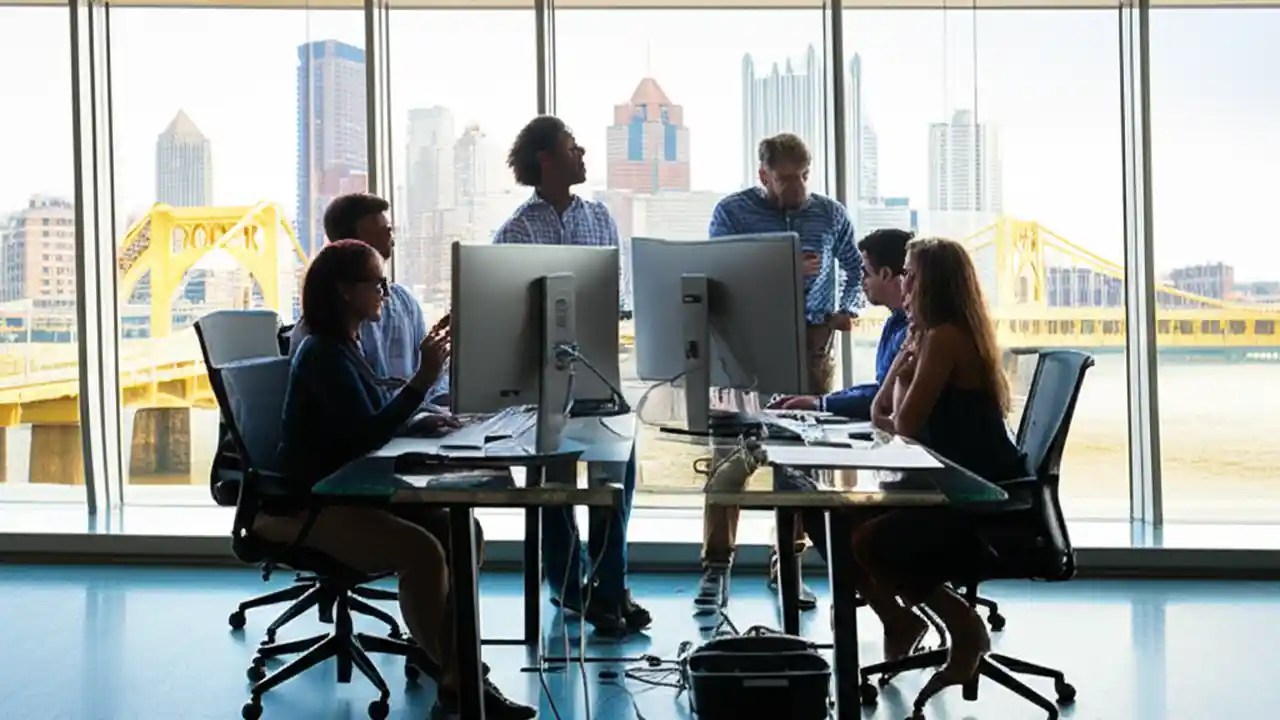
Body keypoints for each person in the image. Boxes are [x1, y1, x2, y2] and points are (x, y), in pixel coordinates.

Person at [252, 240, 535, 720]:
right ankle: (461, 677)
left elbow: (367, 421)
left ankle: (454, 668)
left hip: (355, 491)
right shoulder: (322, 353)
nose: (386, 291)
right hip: (316, 503)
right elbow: (362, 437)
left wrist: (419, 418)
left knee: (462, 531)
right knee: (422, 552)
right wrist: (422, 382)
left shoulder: (348, 345)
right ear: (345, 291)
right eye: (376, 283)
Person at [849, 236, 1030, 701]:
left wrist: (903, 376)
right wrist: (899, 372)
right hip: (947, 481)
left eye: (909, 273)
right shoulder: (928, 334)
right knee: (841, 520)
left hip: (978, 492)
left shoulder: (946, 337)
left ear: (929, 282)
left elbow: (903, 425)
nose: (903, 281)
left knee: (871, 537)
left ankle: (964, 626)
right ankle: (907, 619)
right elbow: (879, 416)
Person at [492, 115, 648, 636]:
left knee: (615, 476)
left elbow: (616, 298)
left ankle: (610, 587)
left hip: (598, 369)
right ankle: (568, 587)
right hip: (543, 381)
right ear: (546, 159)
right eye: (572, 147)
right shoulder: (517, 229)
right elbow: (511, 312)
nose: (583, 154)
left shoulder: (600, 218)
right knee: (555, 488)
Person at [697, 133, 865, 611]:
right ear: (763, 175)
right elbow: (718, 273)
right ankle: (716, 567)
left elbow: (854, 270)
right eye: (786, 178)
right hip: (742, 354)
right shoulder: (732, 212)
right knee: (728, 463)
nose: (797, 188)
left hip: (811, 352)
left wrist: (843, 309)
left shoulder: (830, 214)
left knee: (798, 468)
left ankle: (787, 566)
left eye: (804, 176)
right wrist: (783, 262)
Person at [289, 192, 450, 405]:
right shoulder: (322, 345)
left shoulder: (403, 302)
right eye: (385, 231)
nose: (384, 295)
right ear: (351, 243)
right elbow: (366, 427)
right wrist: (420, 391)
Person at [772, 228, 913, 419]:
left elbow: (886, 396)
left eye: (866, 273)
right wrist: (822, 400)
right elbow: (881, 387)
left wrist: (820, 404)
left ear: (886, 274)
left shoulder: (911, 331)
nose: (862, 282)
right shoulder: (894, 323)